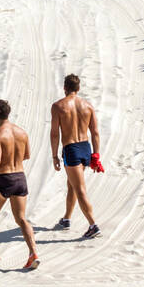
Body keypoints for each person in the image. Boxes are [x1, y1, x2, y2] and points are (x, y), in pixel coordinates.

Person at [0, 99, 38, 269]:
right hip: (20, 178)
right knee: (21, 219)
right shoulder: (22, 133)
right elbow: (27, 155)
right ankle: (33, 253)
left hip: (4, 179)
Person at [50, 74, 103, 239]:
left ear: (64, 88)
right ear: (78, 88)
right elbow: (95, 132)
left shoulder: (58, 106)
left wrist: (54, 156)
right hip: (85, 147)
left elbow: (54, 134)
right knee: (72, 184)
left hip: (71, 149)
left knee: (79, 189)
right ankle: (66, 219)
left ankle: (93, 225)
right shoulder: (88, 106)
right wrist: (95, 155)